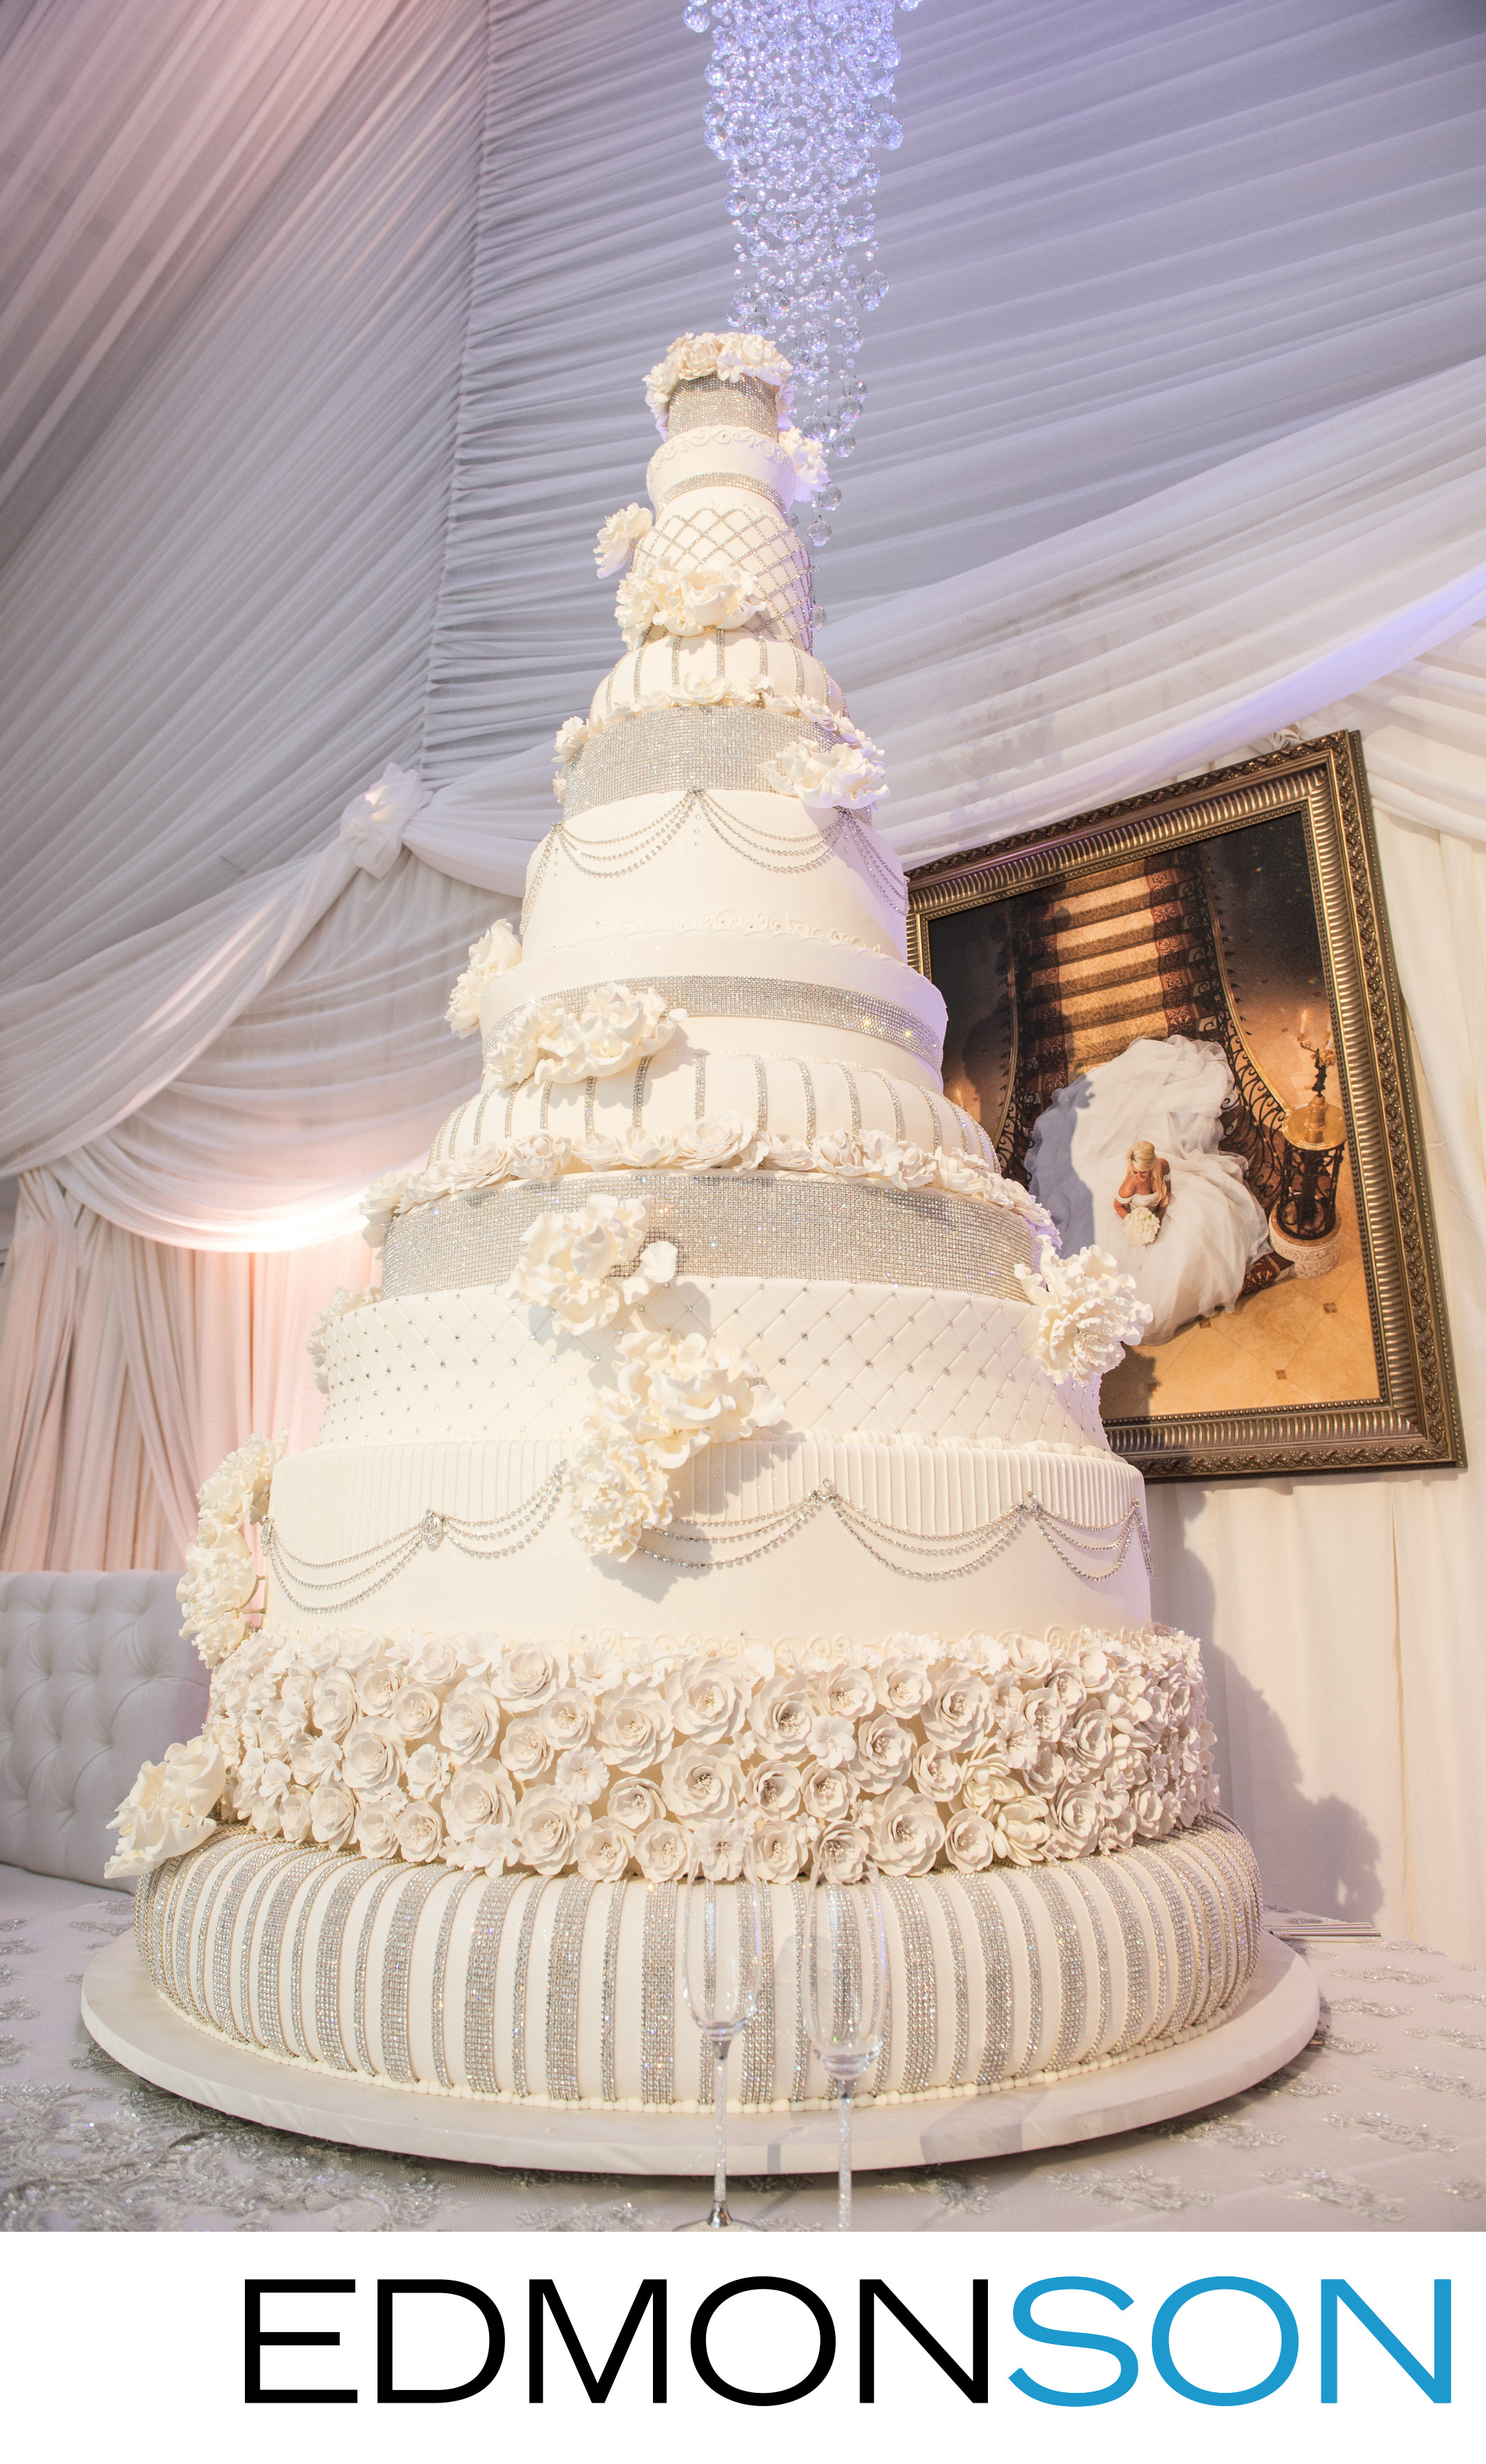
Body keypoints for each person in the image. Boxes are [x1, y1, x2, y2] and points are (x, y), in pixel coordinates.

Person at [1026, 1036, 1270, 1346]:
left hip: (1156, 1212)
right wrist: (1133, 1221)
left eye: (1145, 1171)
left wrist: (1162, 1208)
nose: (1142, 1175)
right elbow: (1118, 1205)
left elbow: (1167, 1186)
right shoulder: (1128, 1184)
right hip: (1133, 1217)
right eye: (1139, 1172)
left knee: (1206, 1225)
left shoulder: (1162, 1165)